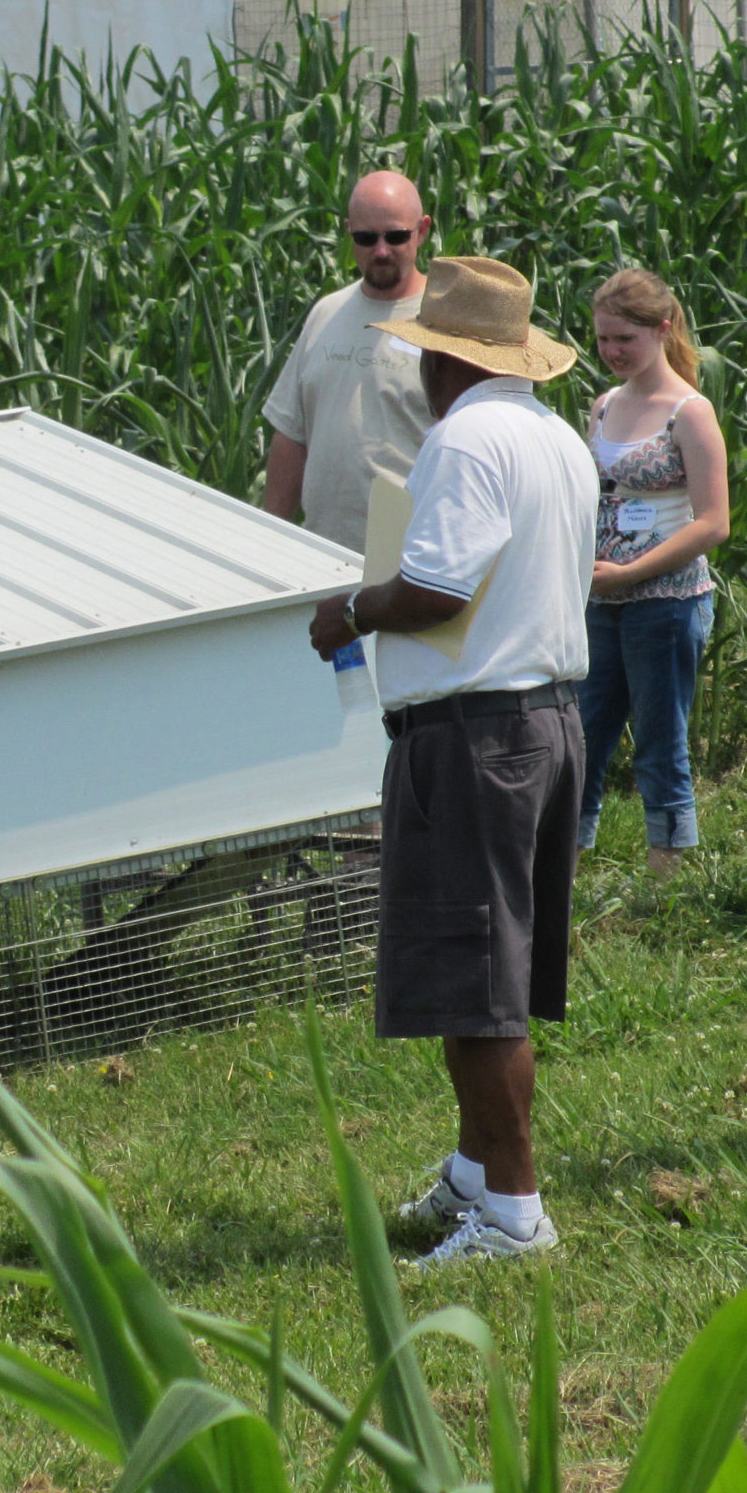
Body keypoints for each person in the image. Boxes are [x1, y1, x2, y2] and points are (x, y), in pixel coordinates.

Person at [306, 257, 595, 1264]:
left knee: (477, 979)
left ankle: (512, 1211)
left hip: (477, 733)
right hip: (548, 717)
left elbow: (432, 588)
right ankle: (477, 1167)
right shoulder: (555, 439)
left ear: (447, 362)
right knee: (494, 961)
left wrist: (351, 608)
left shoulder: (465, 440)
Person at [578, 269, 730, 876]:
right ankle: (565, 867)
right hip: (601, 601)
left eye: (626, 340)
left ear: (662, 330)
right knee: (583, 737)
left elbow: (714, 522)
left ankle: (668, 879)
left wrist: (631, 571)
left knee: (660, 743)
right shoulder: (604, 406)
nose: (613, 352)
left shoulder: (689, 413)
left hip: (667, 601)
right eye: (604, 340)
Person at [260, 170, 436, 552]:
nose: (381, 250)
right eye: (366, 238)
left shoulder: (445, 324)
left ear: (422, 231)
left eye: (396, 236)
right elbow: (292, 434)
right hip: (320, 554)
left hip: (409, 562)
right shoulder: (327, 313)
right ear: (349, 233)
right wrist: (270, 539)